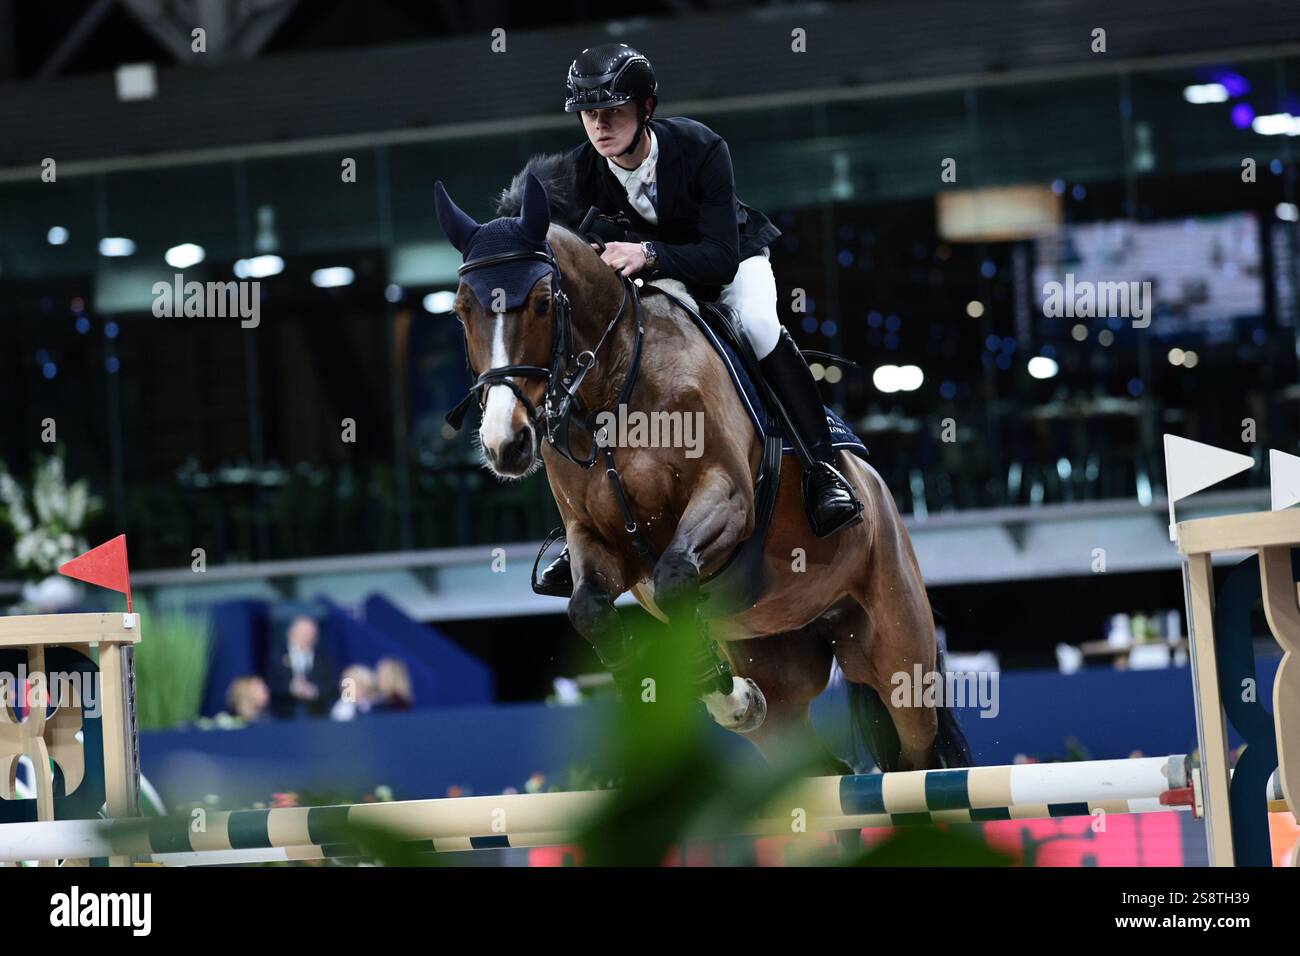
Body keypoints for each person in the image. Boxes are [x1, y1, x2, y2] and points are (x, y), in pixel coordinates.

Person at [535, 43, 863, 597]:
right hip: (649, 287)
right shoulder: (574, 175)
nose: (600, 124)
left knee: (758, 326)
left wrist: (649, 255)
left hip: (726, 266)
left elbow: (719, 255)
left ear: (647, 108)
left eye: (614, 110)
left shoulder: (702, 147)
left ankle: (821, 470)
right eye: (589, 113)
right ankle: (581, 526)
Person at [266, 613, 337, 719]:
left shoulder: (324, 659)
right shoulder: (275, 656)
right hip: (283, 714)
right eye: (302, 633)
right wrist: (291, 688)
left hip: (317, 715)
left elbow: (332, 685)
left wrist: (314, 691)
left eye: (310, 634)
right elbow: (270, 684)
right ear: (290, 633)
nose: (306, 637)